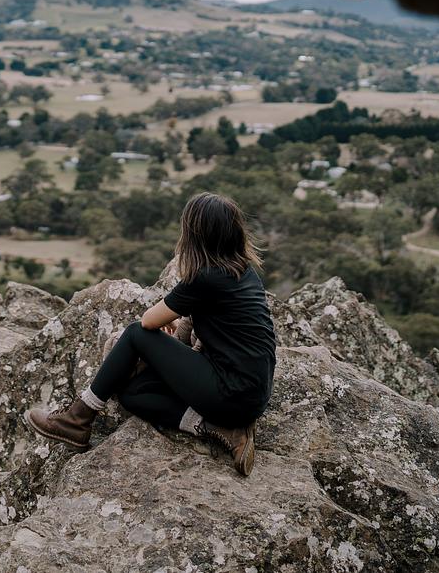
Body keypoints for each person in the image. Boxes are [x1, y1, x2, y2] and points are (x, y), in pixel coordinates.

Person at [24, 192, 276, 475]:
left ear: (195, 235)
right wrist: (175, 335)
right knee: (133, 394)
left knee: (134, 335)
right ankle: (222, 430)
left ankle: (78, 418)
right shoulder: (243, 271)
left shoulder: (205, 278)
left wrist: (162, 331)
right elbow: (203, 323)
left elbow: (147, 322)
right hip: (251, 393)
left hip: (231, 391)